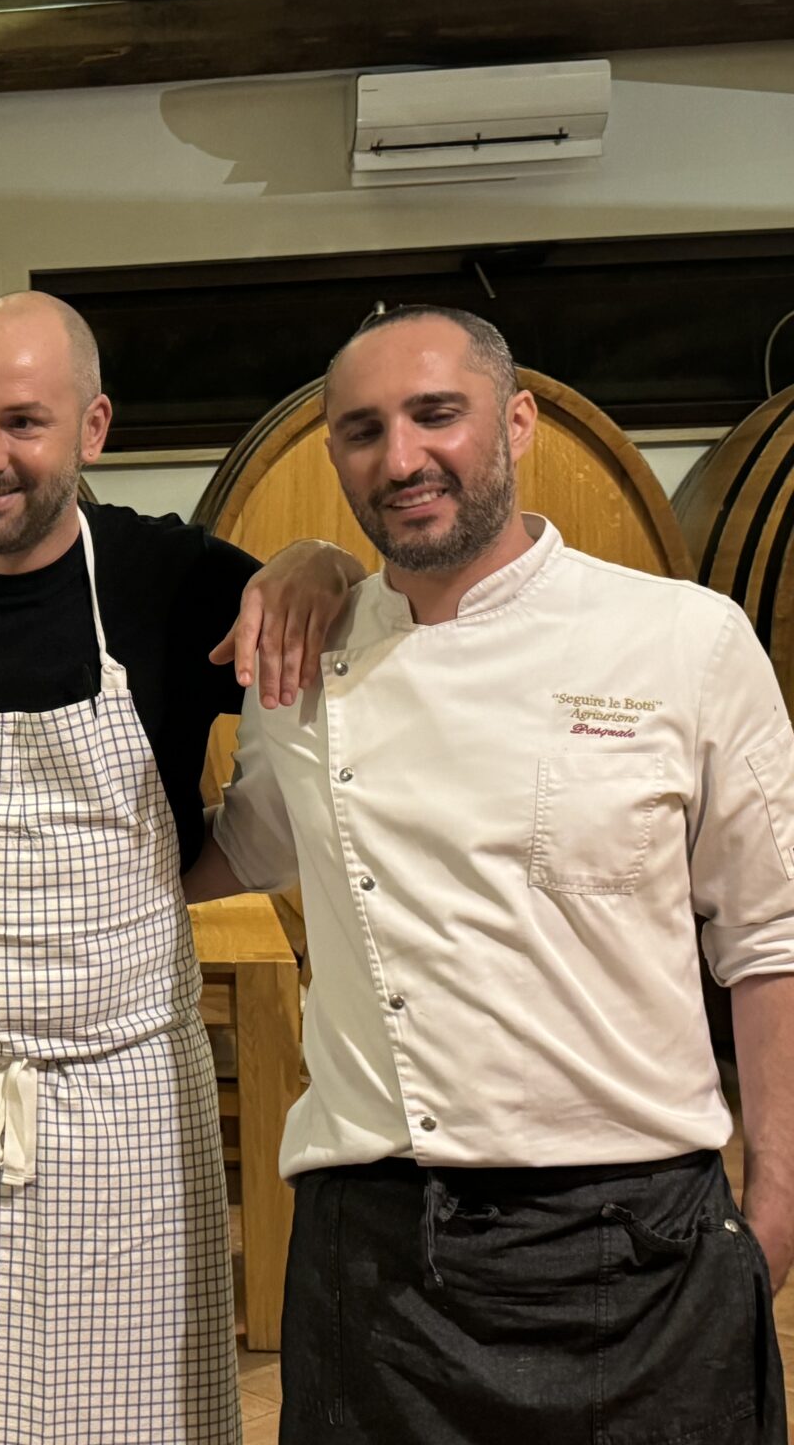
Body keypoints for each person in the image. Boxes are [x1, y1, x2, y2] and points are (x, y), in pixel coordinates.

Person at [188, 305, 794, 1444]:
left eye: (435, 415)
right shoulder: (305, 666)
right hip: (370, 1254)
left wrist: (774, 1213)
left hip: (635, 1235)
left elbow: (772, 940)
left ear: (513, 421)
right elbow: (235, 848)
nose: (401, 457)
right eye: (362, 430)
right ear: (333, 458)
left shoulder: (684, 640)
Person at [0, 290, 362, 1443]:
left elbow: (327, 688)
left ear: (92, 428)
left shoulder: (175, 583)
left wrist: (318, 559)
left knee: (134, 1419)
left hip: (127, 1099)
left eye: (22, 423)